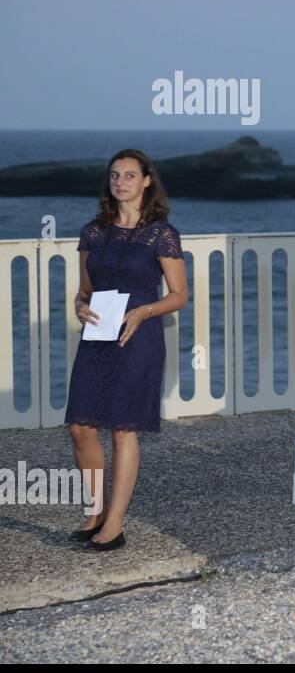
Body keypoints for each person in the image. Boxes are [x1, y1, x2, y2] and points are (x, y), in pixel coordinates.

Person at [67, 149, 188, 551]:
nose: (121, 181)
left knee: (123, 429)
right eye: (115, 175)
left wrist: (143, 311)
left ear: (147, 181)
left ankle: (114, 524)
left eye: (130, 175)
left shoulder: (161, 232)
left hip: (139, 337)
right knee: (81, 426)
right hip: (98, 335)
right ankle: (96, 509)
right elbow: (84, 290)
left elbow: (179, 296)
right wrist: (80, 306)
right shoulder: (92, 232)